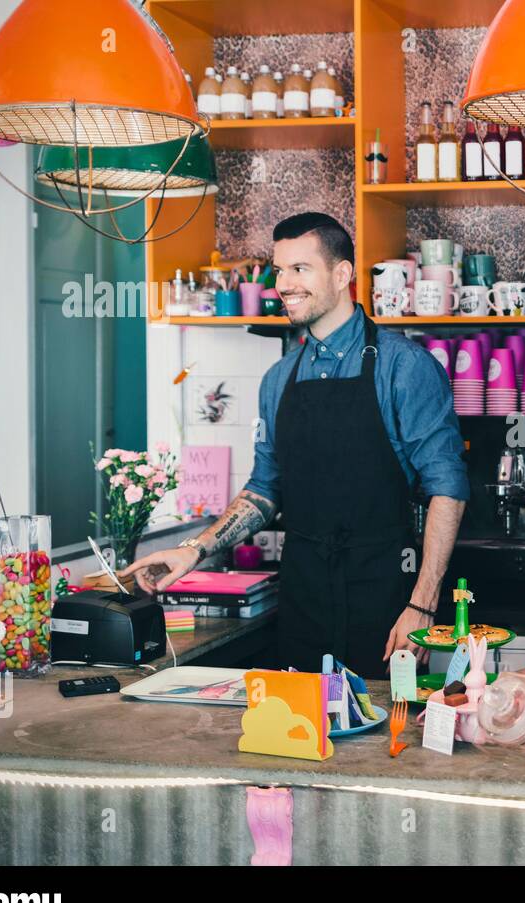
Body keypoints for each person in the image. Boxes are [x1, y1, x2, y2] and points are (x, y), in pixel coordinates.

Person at [125, 212, 469, 678]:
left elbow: (446, 487)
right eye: (279, 270)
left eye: (300, 269)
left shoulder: (405, 367)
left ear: (342, 273)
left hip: (388, 597)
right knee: (295, 737)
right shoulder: (278, 379)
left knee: (387, 739)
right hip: (303, 596)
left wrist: (423, 607)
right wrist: (195, 550)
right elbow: (264, 489)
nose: (283, 284)